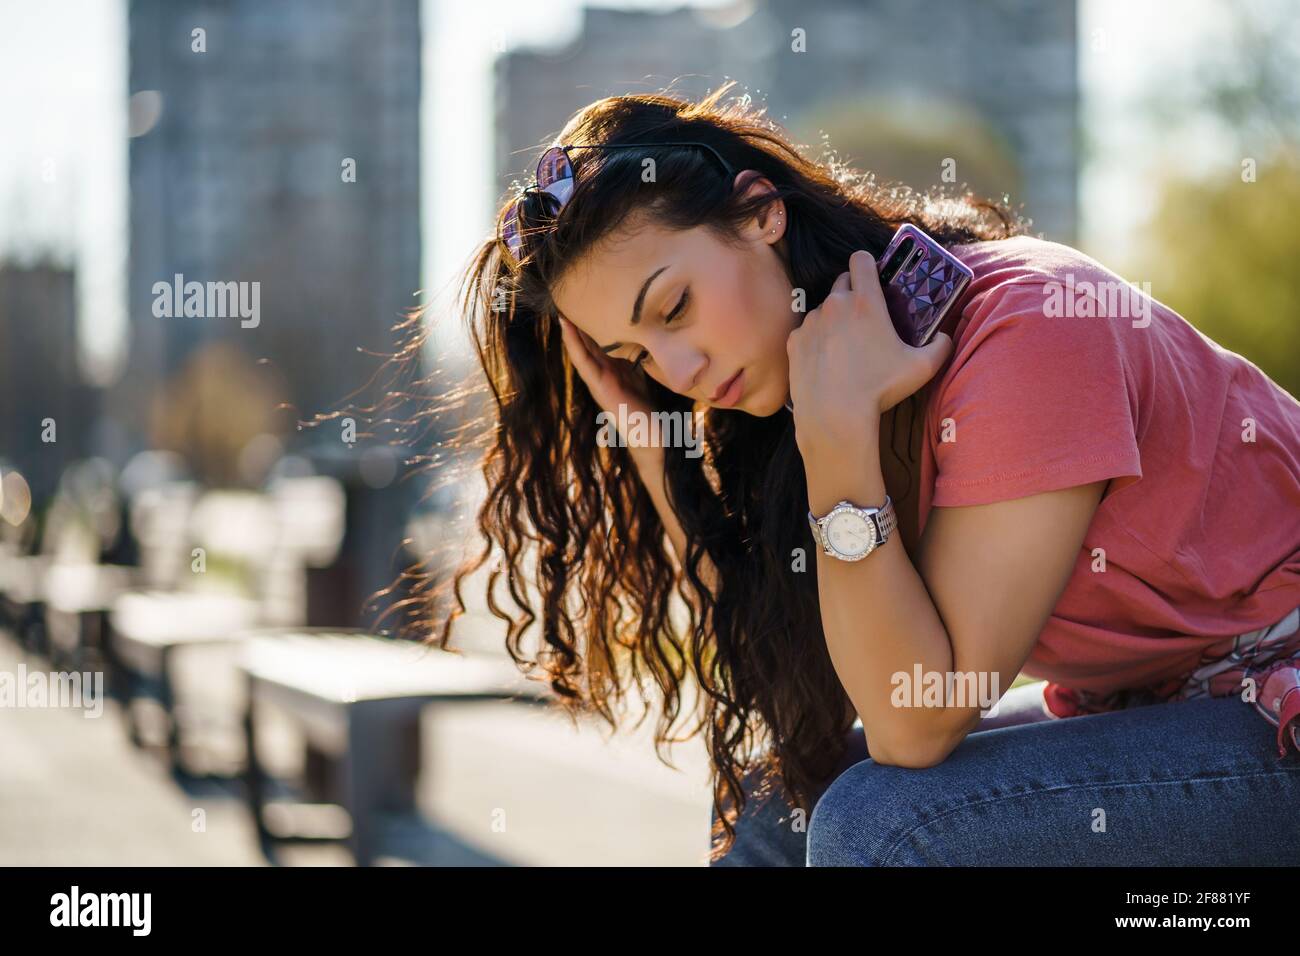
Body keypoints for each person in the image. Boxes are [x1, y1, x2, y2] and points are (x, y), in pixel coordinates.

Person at [415, 83, 1300, 865]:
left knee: (889, 827)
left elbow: (921, 720)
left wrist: (837, 447)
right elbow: (841, 655)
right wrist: (654, 447)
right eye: (633, 352)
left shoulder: (1025, 330)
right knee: (779, 810)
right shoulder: (821, 390)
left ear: (761, 211)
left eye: (673, 307)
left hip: (1282, 702)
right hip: (1173, 705)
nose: (674, 368)